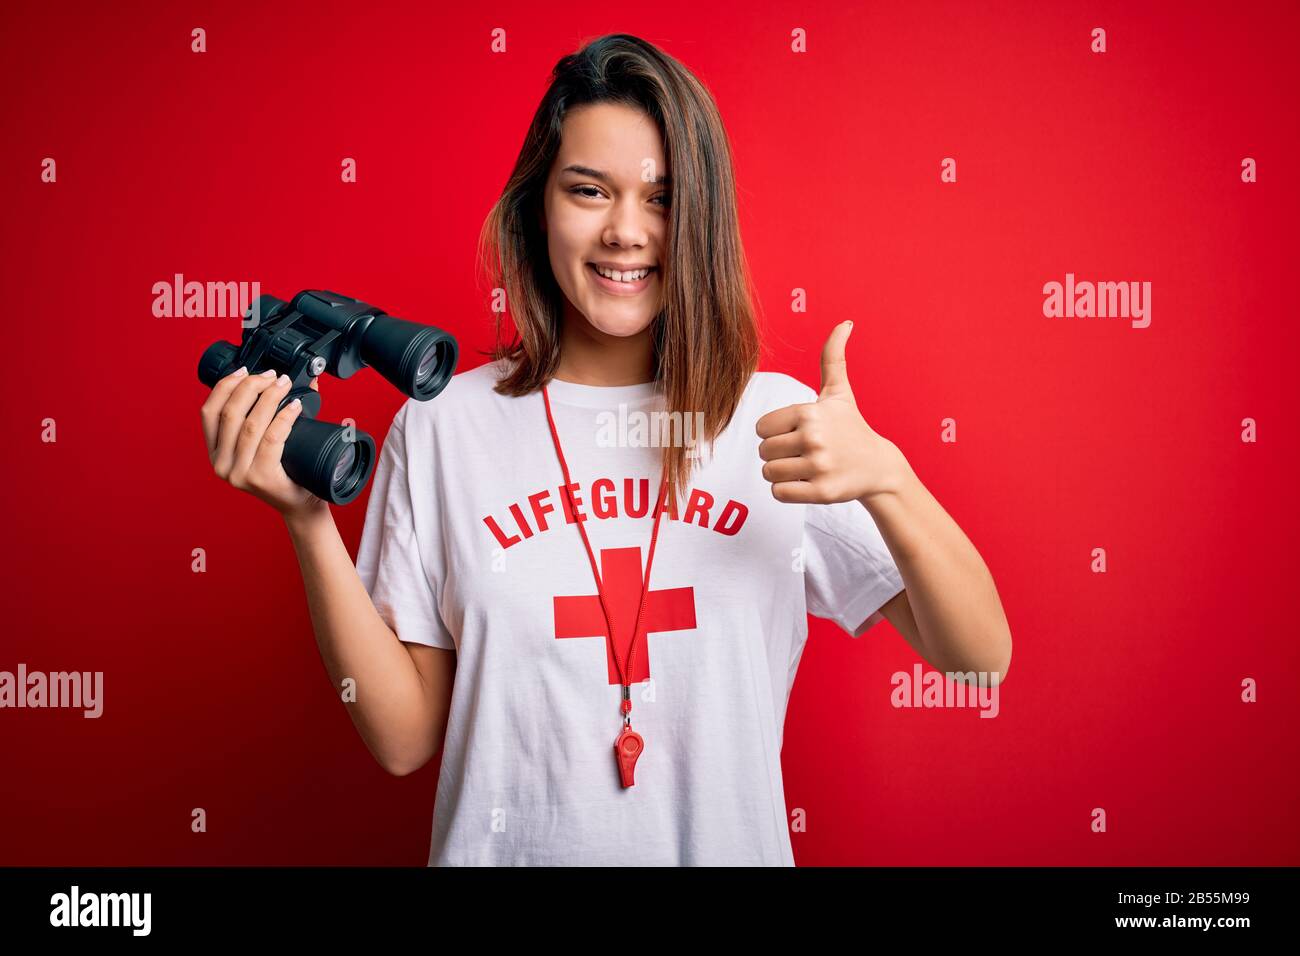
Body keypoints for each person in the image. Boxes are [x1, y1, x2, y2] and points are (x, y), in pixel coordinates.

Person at [199, 33, 1012, 866]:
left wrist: (890, 479)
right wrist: (307, 521)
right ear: (538, 207)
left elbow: (981, 657)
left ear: (701, 218)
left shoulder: (779, 422)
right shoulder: (444, 425)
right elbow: (405, 739)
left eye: (661, 199)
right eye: (589, 190)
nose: (626, 231)